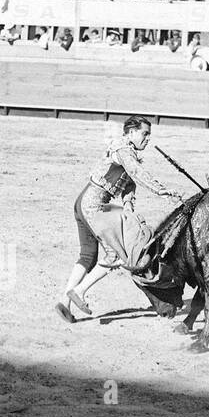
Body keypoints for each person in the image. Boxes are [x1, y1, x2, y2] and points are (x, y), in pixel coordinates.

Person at [55, 115, 182, 324]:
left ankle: (64, 301)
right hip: (93, 207)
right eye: (145, 133)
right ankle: (79, 291)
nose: (147, 139)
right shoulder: (123, 149)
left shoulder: (127, 152)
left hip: (83, 202)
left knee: (88, 255)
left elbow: (129, 184)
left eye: (149, 134)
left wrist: (129, 206)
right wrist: (163, 191)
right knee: (116, 255)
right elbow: (135, 172)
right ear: (131, 132)